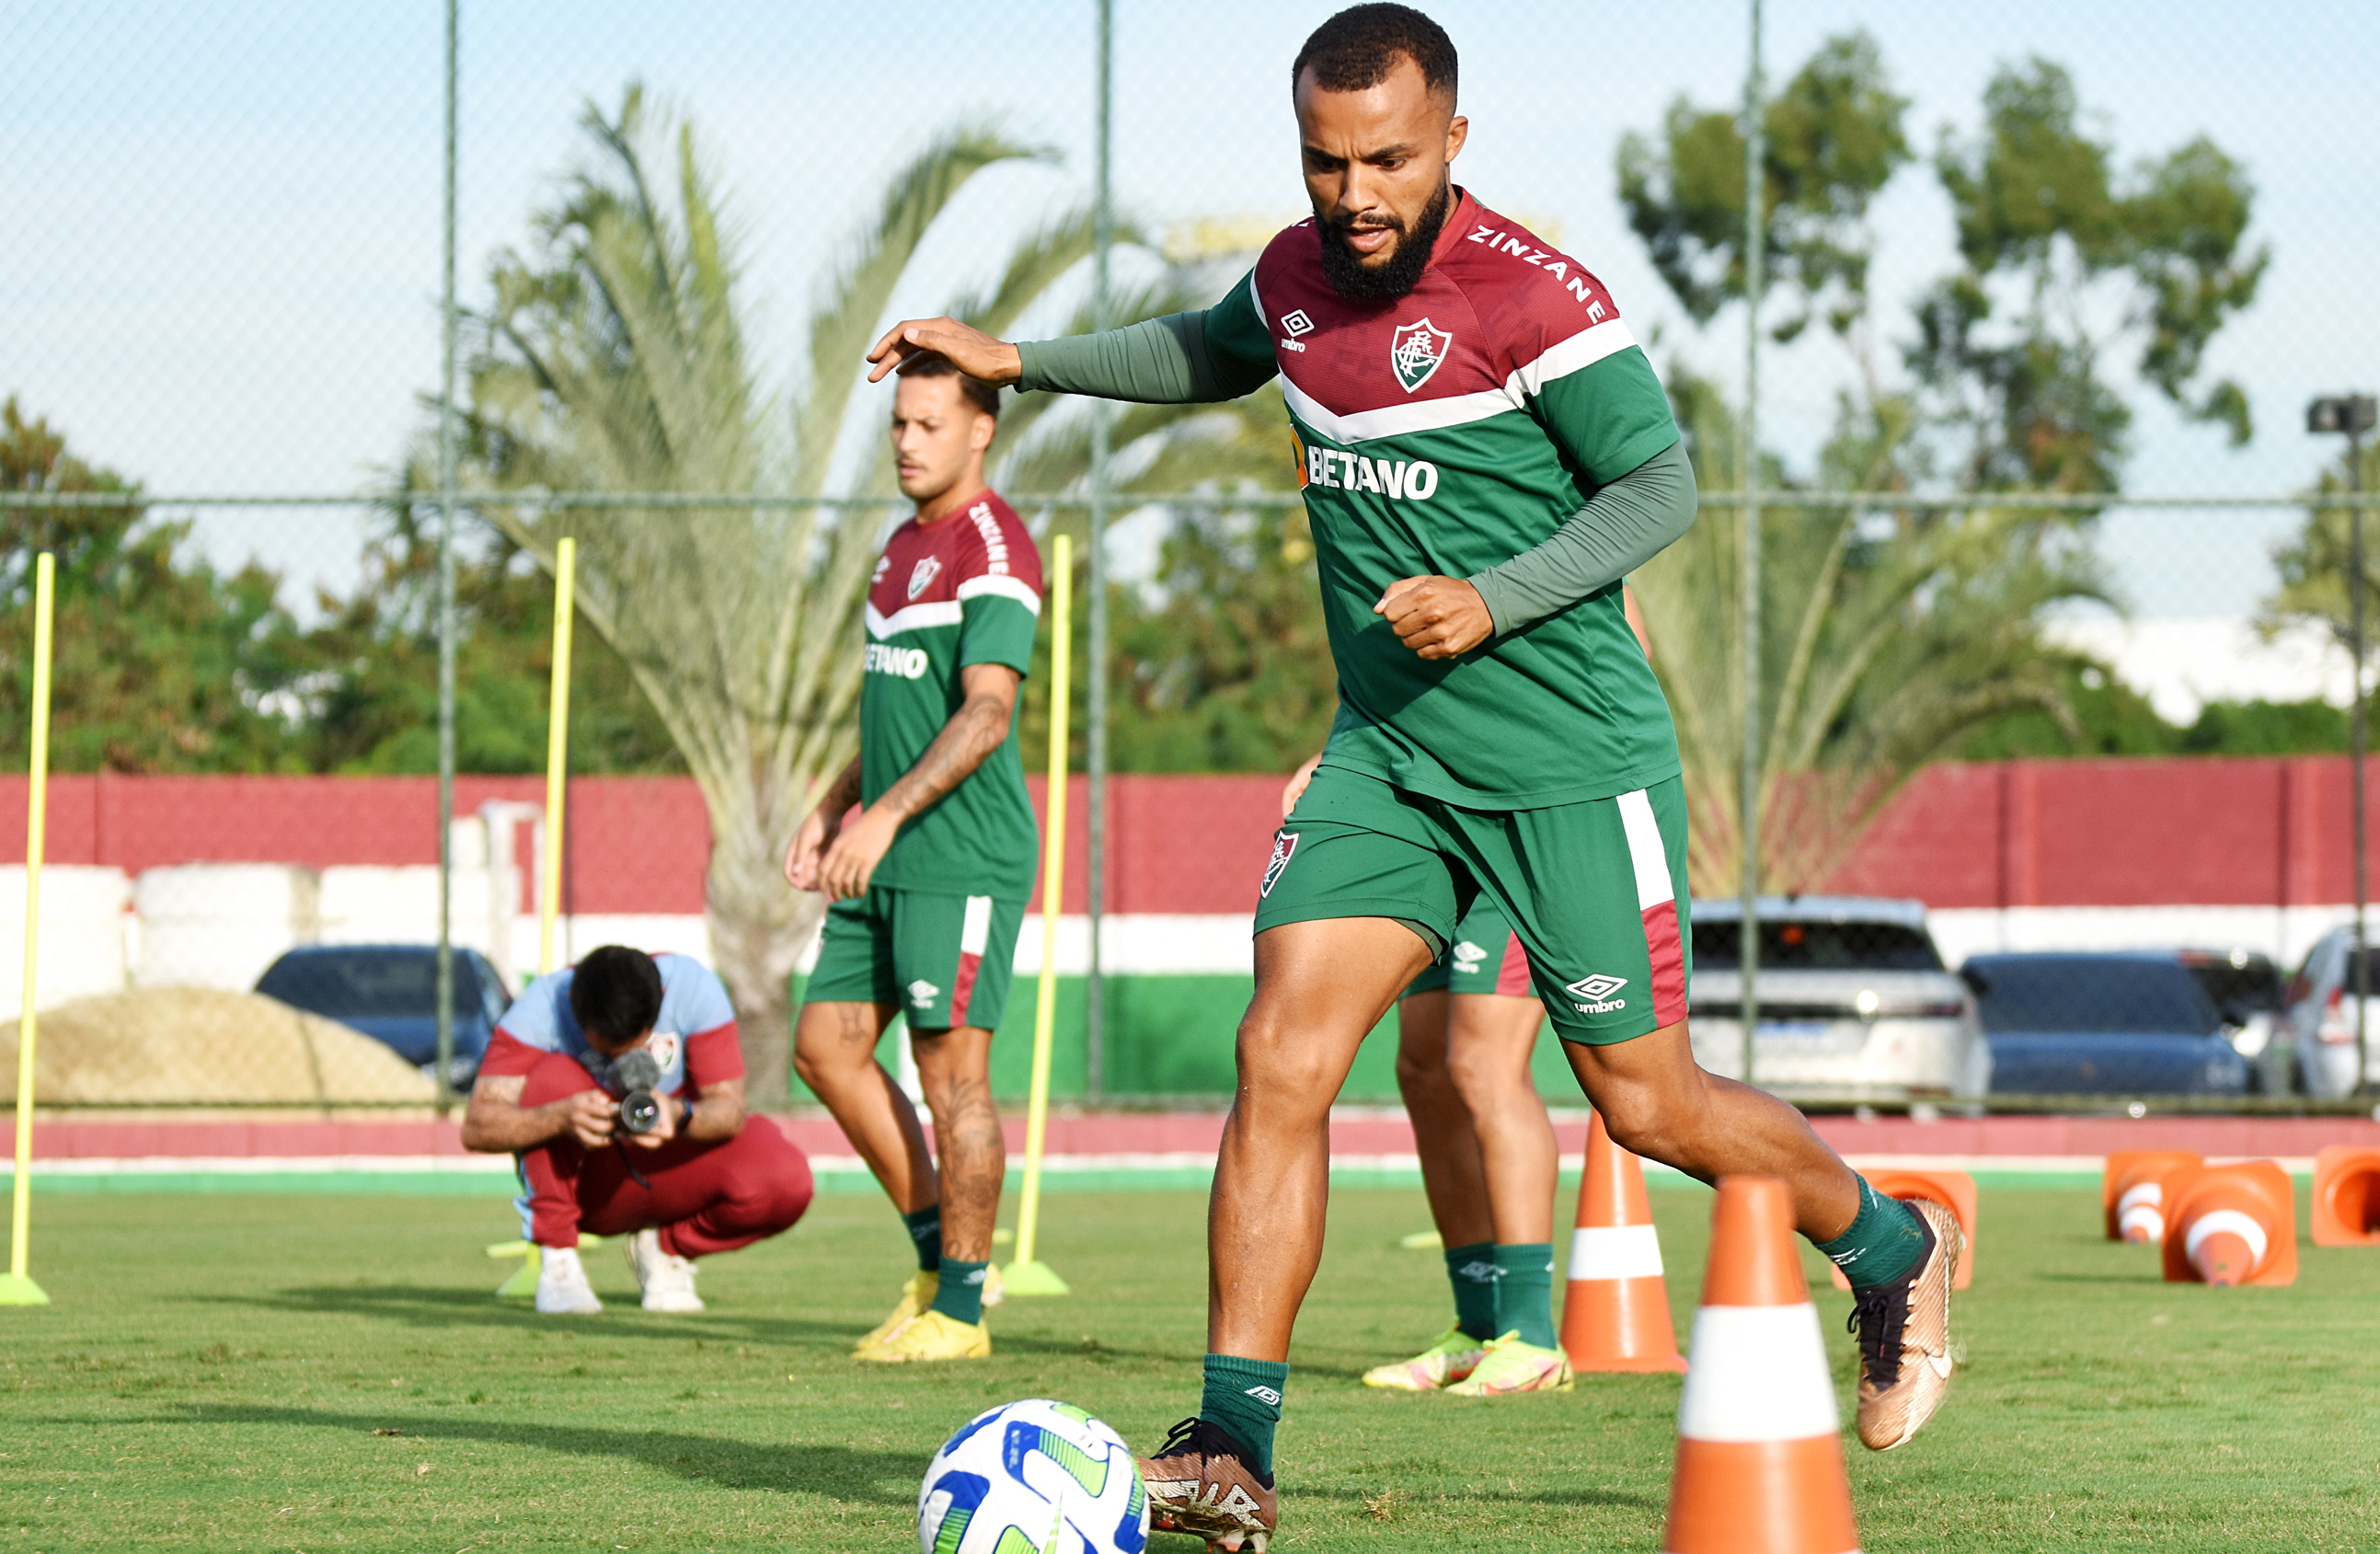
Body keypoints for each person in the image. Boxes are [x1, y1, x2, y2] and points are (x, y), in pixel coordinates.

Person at [864, 7, 1960, 1546]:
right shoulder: (1298, 273)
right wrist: (1020, 361)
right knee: (1282, 1051)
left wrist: (1499, 595)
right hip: (1389, 751)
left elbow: (1662, 482)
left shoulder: (1532, 299)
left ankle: (1893, 1242)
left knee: (1645, 1101)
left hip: (1571, 759)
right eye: (1327, 161)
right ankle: (1228, 1445)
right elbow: (1209, 349)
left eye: (1388, 157)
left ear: (1454, 136)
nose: (1356, 192)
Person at [783, 351, 1044, 1364]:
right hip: (878, 848)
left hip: (957, 859)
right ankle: (940, 1264)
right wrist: (833, 805)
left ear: (980, 431)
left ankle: (965, 1314)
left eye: (929, 424)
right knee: (825, 1048)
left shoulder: (993, 547)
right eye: (899, 423)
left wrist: (883, 816)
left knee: (953, 1080)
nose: (907, 441)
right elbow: (902, 711)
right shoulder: (901, 546)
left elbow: (984, 714)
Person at [1330, 591, 1647, 1399]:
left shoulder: (1540, 523)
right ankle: (1477, 1325)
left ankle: (1533, 1335)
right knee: (1424, 1066)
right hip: (1432, 815)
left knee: (1482, 1061)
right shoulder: (1407, 524)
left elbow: (1621, 659)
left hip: (1527, 817)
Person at [462, 945, 812, 1316]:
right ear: (572, 1004)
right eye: (606, 1050)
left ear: (661, 998)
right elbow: (477, 1127)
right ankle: (560, 1262)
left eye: (633, 1045)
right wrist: (561, 1117)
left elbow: (729, 1111)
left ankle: (665, 1249)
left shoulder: (693, 988)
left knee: (786, 1180)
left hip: (670, 1163)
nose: (619, 1062)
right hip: (588, 1186)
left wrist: (678, 1114)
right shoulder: (542, 1006)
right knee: (548, 1079)